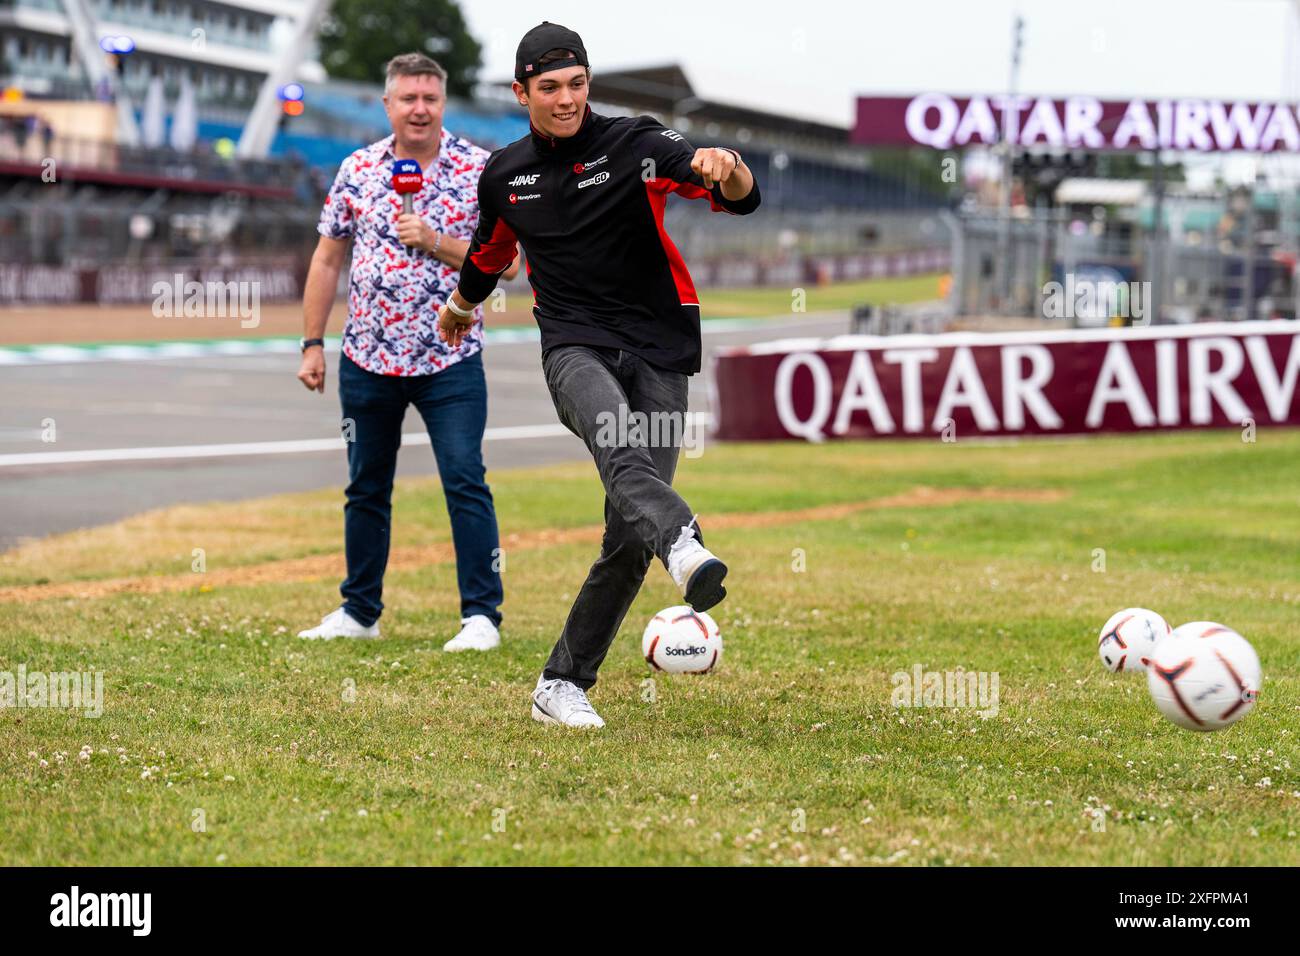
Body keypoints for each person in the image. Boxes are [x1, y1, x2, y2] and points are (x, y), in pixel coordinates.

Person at [436, 22, 761, 727]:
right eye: (549, 88)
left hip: (661, 349)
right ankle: (683, 540)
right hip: (573, 347)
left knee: (624, 536)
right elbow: (489, 256)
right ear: (522, 92)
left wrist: (724, 162)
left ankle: (560, 685)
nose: (566, 100)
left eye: (577, 85)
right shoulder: (505, 176)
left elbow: (737, 193)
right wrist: (461, 306)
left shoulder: (634, 144)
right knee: (620, 449)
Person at [297, 52, 518, 651]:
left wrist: (437, 241)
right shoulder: (358, 168)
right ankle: (359, 610)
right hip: (366, 359)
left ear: (443, 104)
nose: (420, 109)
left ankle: (481, 617)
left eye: (431, 98)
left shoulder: (480, 169)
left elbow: (511, 264)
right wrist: (313, 343)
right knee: (365, 485)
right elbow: (326, 258)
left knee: (465, 479)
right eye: (408, 98)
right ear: (387, 104)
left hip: (450, 359)